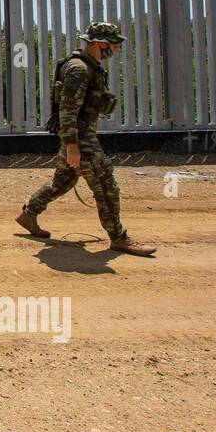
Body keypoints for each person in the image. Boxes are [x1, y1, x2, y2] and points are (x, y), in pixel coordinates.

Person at [15, 21, 156, 257]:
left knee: (63, 180)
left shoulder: (86, 65)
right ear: (102, 44)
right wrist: (73, 145)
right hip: (81, 138)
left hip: (78, 135)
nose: (117, 49)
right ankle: (119, 238)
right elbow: (68, 109)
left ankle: (29, 214)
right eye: (114, 44)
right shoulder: (80, 69)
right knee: (105, 184)